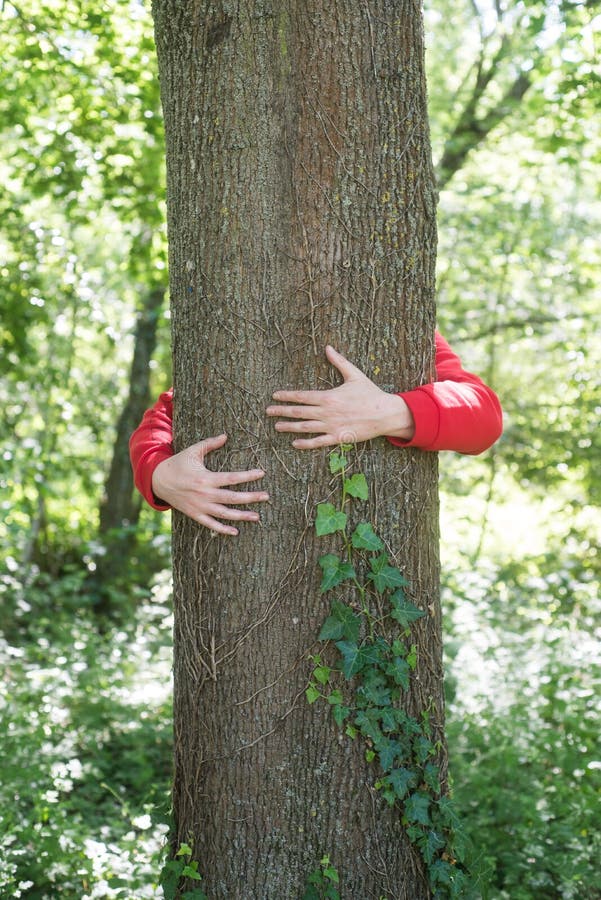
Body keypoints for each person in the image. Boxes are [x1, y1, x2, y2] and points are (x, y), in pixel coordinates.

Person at [129, 333, 502, 535]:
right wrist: (160, 475)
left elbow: (484, 418)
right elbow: (166, 414)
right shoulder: (235, 337)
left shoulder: (410, 328)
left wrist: (390, 412)